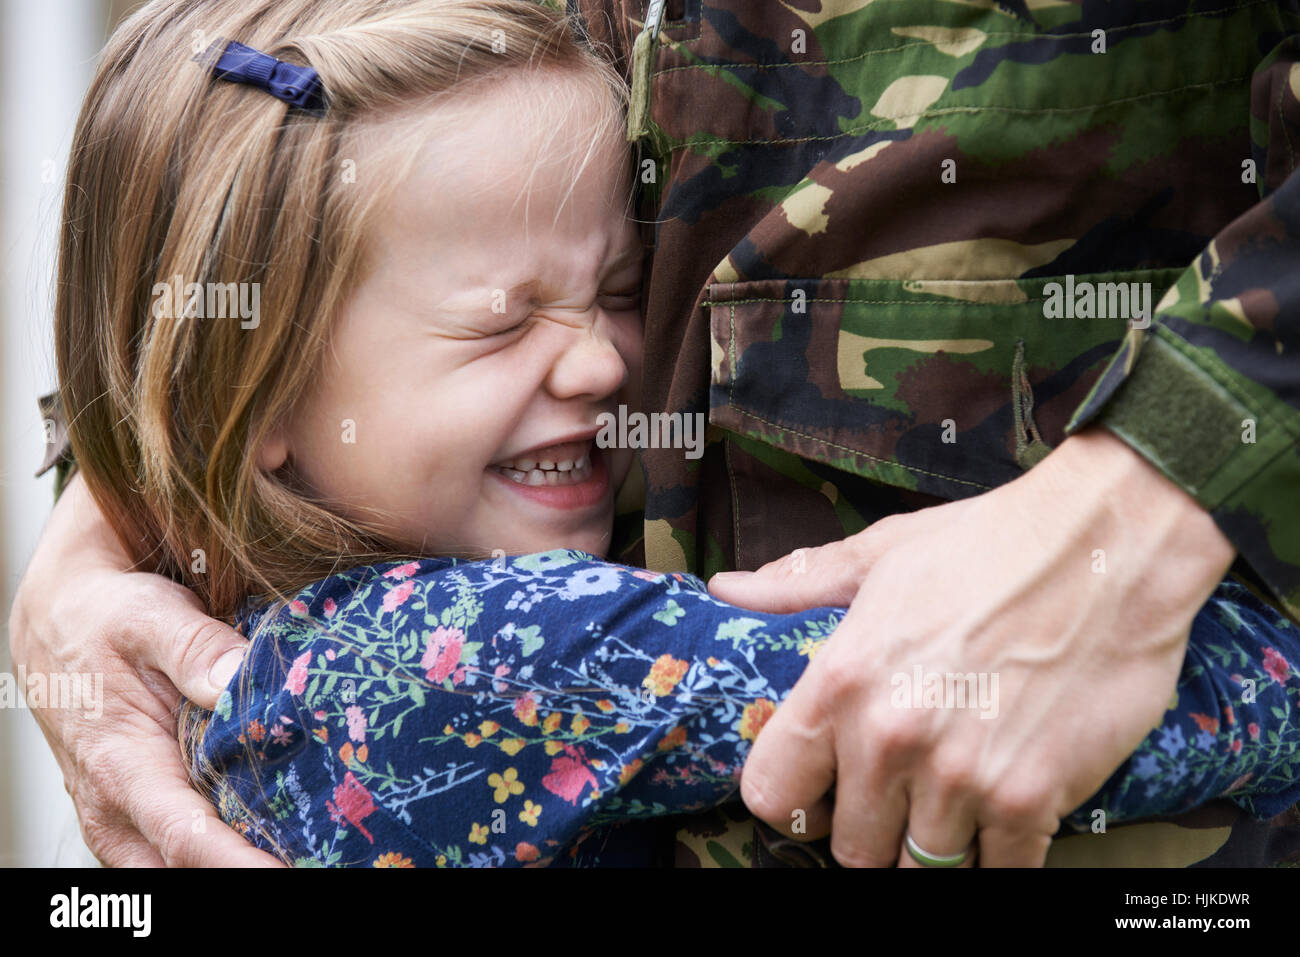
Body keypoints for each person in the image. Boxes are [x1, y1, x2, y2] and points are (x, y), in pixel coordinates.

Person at [12, 0, 1300, 867]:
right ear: (256, 392)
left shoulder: (270, 667)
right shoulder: (478, 659)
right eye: (498, 322)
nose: (607, 361)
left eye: (623, 289)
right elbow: (939, 703)